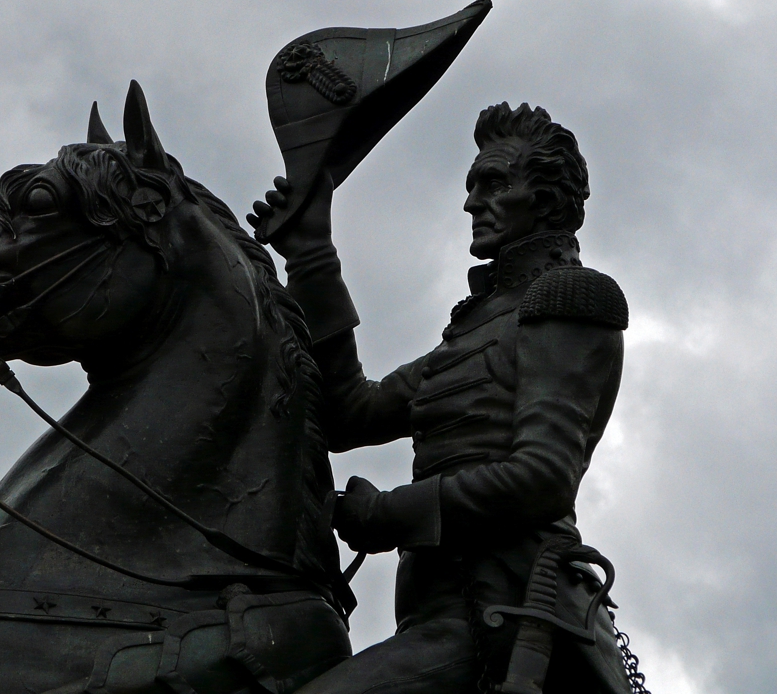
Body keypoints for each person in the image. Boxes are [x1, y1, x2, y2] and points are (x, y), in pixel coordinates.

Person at [247, 101, 632, 694]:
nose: (472, 202)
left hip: (508, 615)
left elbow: (544, 476)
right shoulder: (477, 326)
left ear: (546, 199)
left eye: (494, 184)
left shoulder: (570, 299)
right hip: (438, 615)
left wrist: (386, 514)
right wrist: (311, 251)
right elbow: (349, 414)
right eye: (472, 186)